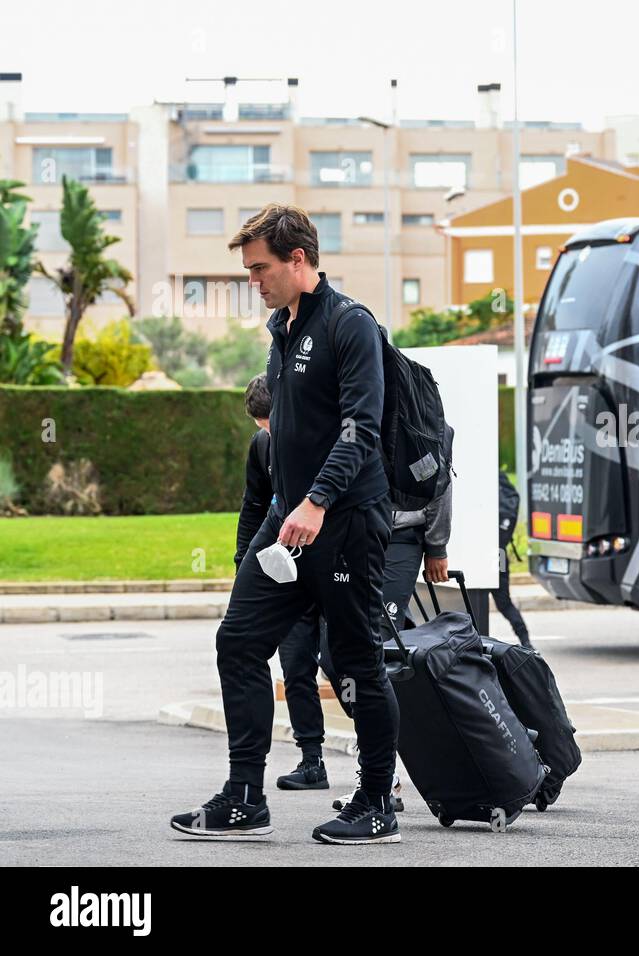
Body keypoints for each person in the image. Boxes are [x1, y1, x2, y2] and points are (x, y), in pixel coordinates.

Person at [170, 203, 401, 844]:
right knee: (238, 642)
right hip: (289, 523)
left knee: (354, 662)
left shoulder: (349, 325)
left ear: (299, 260)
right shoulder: (283, 329)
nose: (255, 281)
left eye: (261, 268)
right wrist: (281, 513)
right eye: (249, 271)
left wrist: (318, 500)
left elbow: (361, 428)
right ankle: (245, 797)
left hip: (347, 519)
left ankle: (378, 804)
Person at [233, 373, 329, 791]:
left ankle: (379, 776)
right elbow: (253, 506)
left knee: (346, 665)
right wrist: (243, 565)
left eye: (272, 423)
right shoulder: (262, 446)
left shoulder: (321, 439)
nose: (270, 433)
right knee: (295, 668)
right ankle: (312, 761)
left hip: (332, 567)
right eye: (262, 427)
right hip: (284, 571)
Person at [489, 470, 531, 648]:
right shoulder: (499, 477)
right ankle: (526, 641)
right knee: (504, 602)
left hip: (482, 551)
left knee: (470, 601)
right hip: (500, 552)